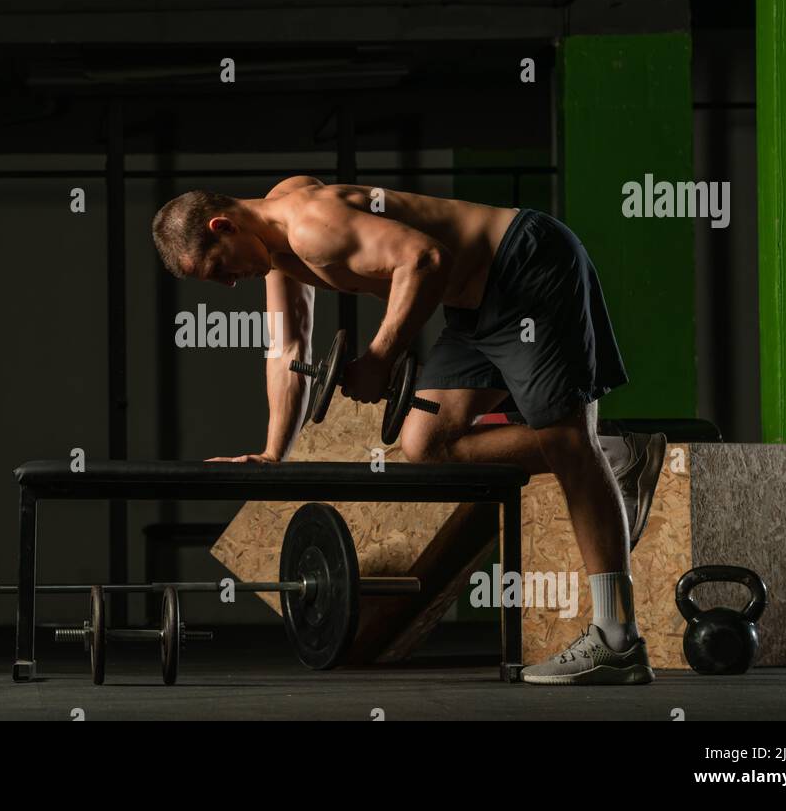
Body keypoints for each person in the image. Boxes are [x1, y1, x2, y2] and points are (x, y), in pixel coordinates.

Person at [152, 176, 666, 685]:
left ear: (223, 225)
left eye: (220, 268)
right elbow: (287, 350)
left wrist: (379, 359)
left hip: (524, 266)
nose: (229, 283)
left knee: (565, 443)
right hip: (472, 307)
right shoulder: (276, 239)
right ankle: (605, 454)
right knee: (426, 447)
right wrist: (271, 453)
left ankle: (617, 638)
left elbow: (424, 259)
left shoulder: (309, 226)